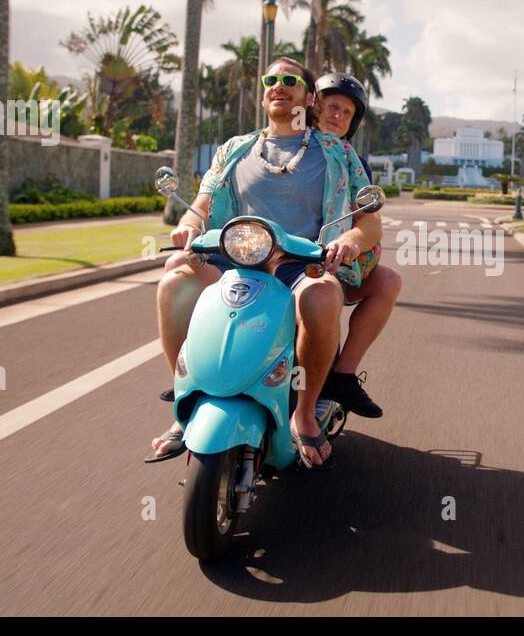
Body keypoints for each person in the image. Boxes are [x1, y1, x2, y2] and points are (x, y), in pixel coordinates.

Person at [148, 57, 379, 468]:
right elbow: (201, 205)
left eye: (290, 80)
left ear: (308, 98)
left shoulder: (337, 151)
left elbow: (369, 224)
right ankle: (184, 404)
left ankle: (305, 415)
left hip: (299, 262)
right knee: (173, 285)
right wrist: (187, 226)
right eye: (270, 79)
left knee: (324, 297)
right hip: (232, 256)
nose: (278, 86)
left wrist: (348, 240)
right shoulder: (233, 150)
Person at [313, 72, 403, 419]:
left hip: (333, 260)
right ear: (314, 107)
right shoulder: (288, 148)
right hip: (275, 255)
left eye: (346, 113)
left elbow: (368, 219)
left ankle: (342, 376)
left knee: (389, 282)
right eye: (332, 107)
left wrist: (350, 241)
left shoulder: (354, 162)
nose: (337, 115)